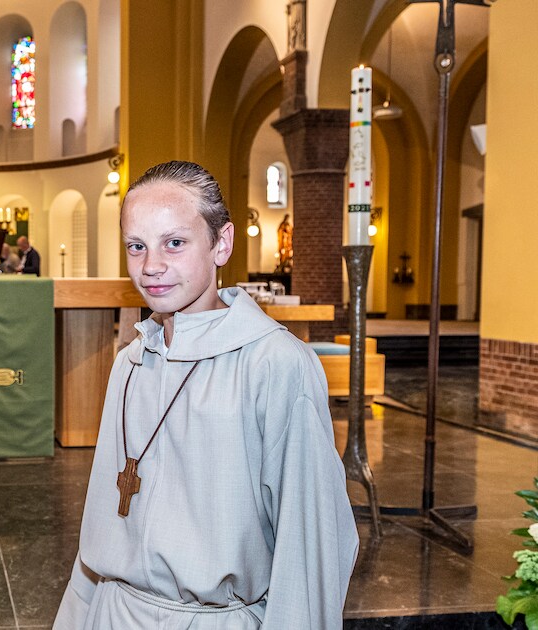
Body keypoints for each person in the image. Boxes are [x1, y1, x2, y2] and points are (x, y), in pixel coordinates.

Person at [54, 161, 357, 629]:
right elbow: (100, 526)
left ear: (222, 243)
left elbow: (311, 546)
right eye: (137, 246)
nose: (151, 265)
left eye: (174, 243)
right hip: (114, 614)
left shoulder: (275, 365)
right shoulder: (129, 364)